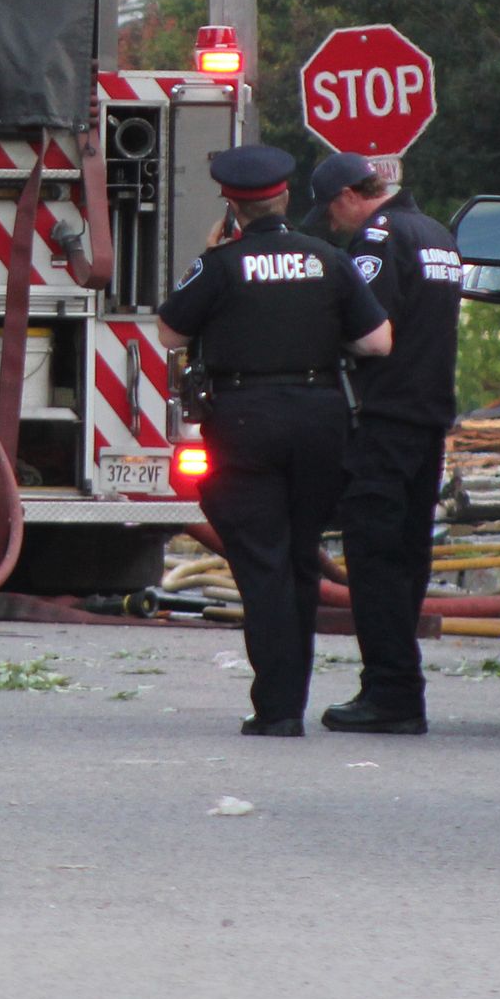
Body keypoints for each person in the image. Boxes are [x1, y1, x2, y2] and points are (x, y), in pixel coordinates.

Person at [157, 145, 393, 736]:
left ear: (232, 204)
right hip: (321, 420)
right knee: (300, 561)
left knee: (262, 564)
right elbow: (378, 343)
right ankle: (294, 698)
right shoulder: (328, 259)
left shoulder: (221, 265)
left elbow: (168, 332)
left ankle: (279, 709)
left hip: (244, 421)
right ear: (284, 196)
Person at [314, 152, 468, 736]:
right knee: (407, 557)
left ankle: (392, 692)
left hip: (381, 417)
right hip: (427, 418)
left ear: (349, 197)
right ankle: (396, 685)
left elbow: (369, 330)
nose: (333, 226)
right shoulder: (435, 233)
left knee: (375, 560)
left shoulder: (379, 240)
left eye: (331, 214)